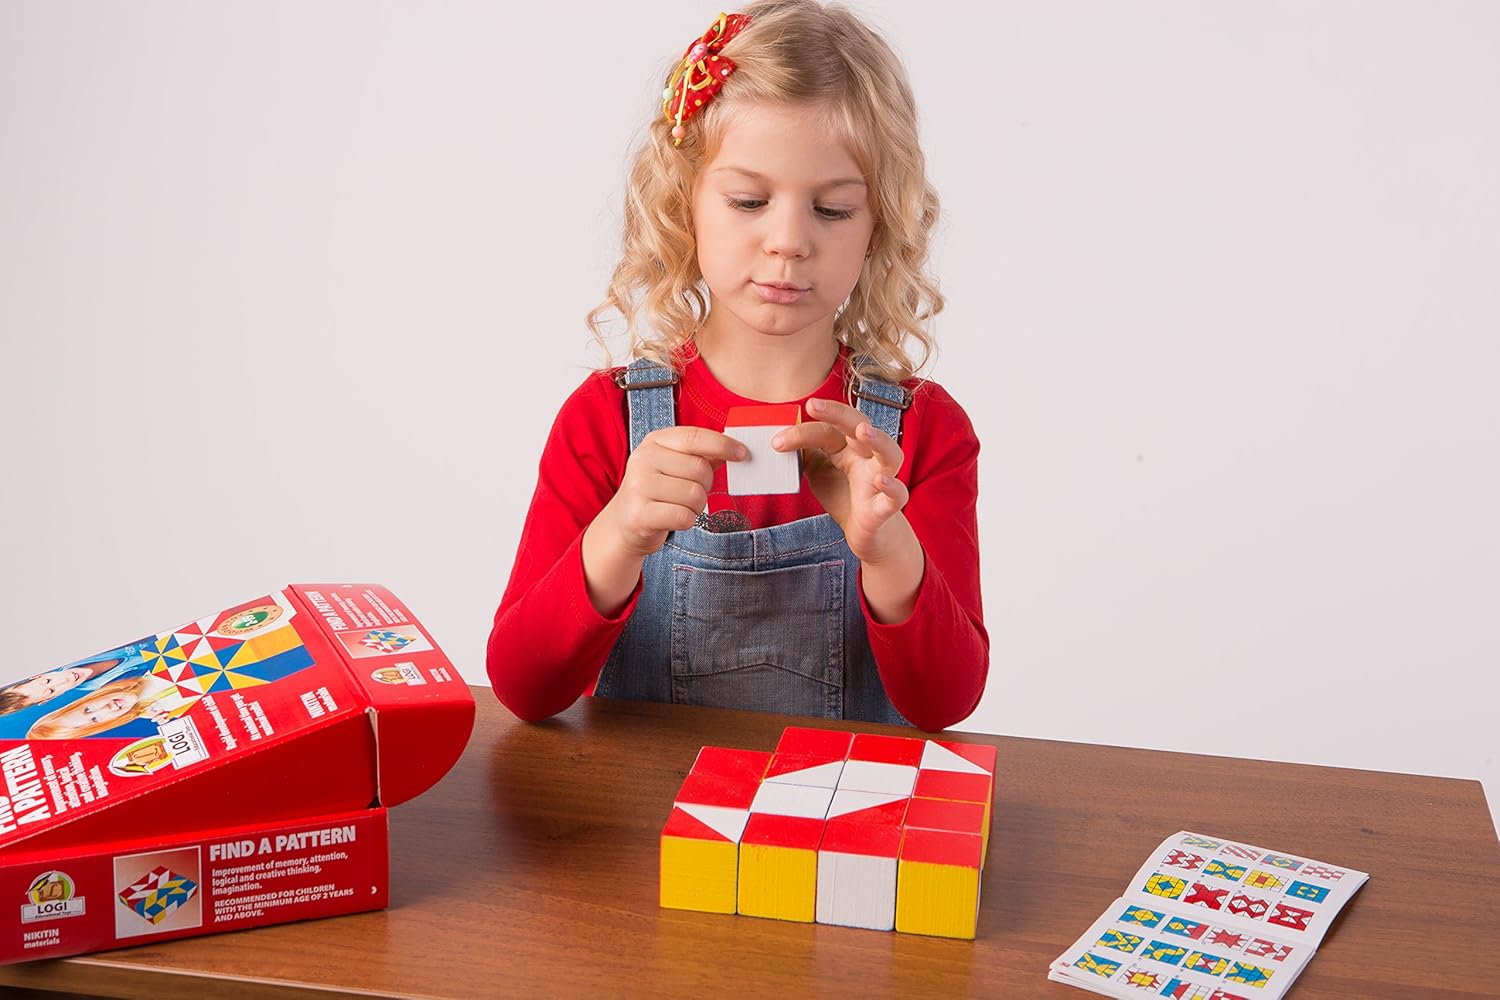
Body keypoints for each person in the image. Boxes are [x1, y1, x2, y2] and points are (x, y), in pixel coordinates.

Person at [487, 1, 987, 731]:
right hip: (650, 833)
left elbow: (947, 705)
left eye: (834, 209)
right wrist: (620, 531)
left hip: (833, 832)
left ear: (881, 222)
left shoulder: (924, 432)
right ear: (683, 201)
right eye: (749, 200)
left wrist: (889, 552)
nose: (788, 241)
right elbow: (524, 689)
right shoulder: (605, 421)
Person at [26, 673, 197, 740]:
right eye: (95, 719)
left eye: (89, 709)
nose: (106, 709)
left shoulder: (138, 670)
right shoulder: (160, 712)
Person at [0, 644, 148, 717]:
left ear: (37, 675)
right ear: (49, 699)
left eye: (47, 681)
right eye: (52, 690)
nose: (66, 679)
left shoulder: (76, 646)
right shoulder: (110, 689)